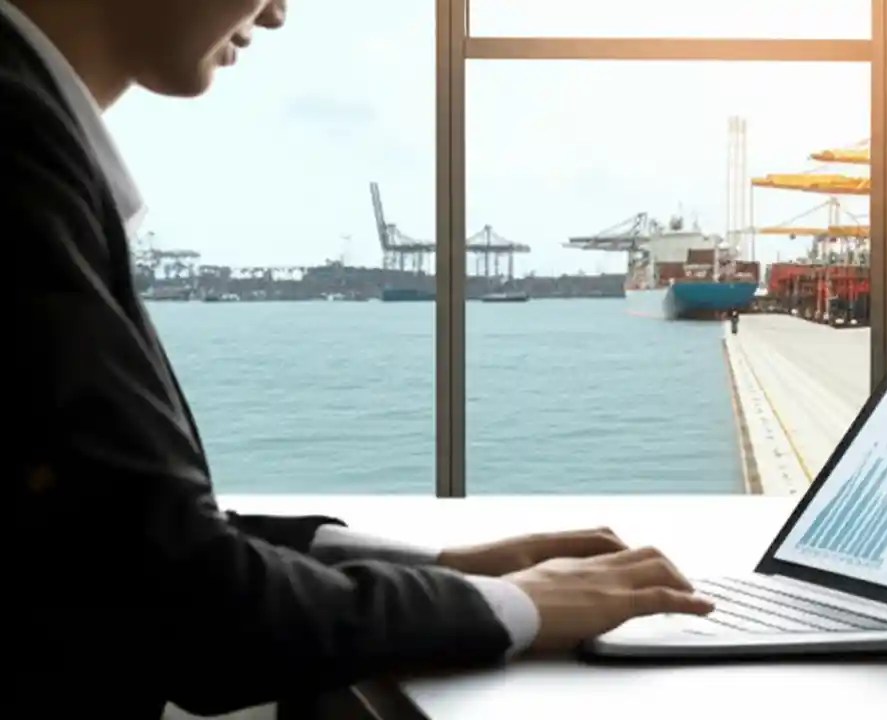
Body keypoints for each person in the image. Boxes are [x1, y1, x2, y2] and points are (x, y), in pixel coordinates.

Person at [3, 1, 713, 717]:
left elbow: (114, 533)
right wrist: (512, 605)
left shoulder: (33, 125)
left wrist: (446, 569)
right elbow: (187, 610)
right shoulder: (14, 147)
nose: (279, 12)